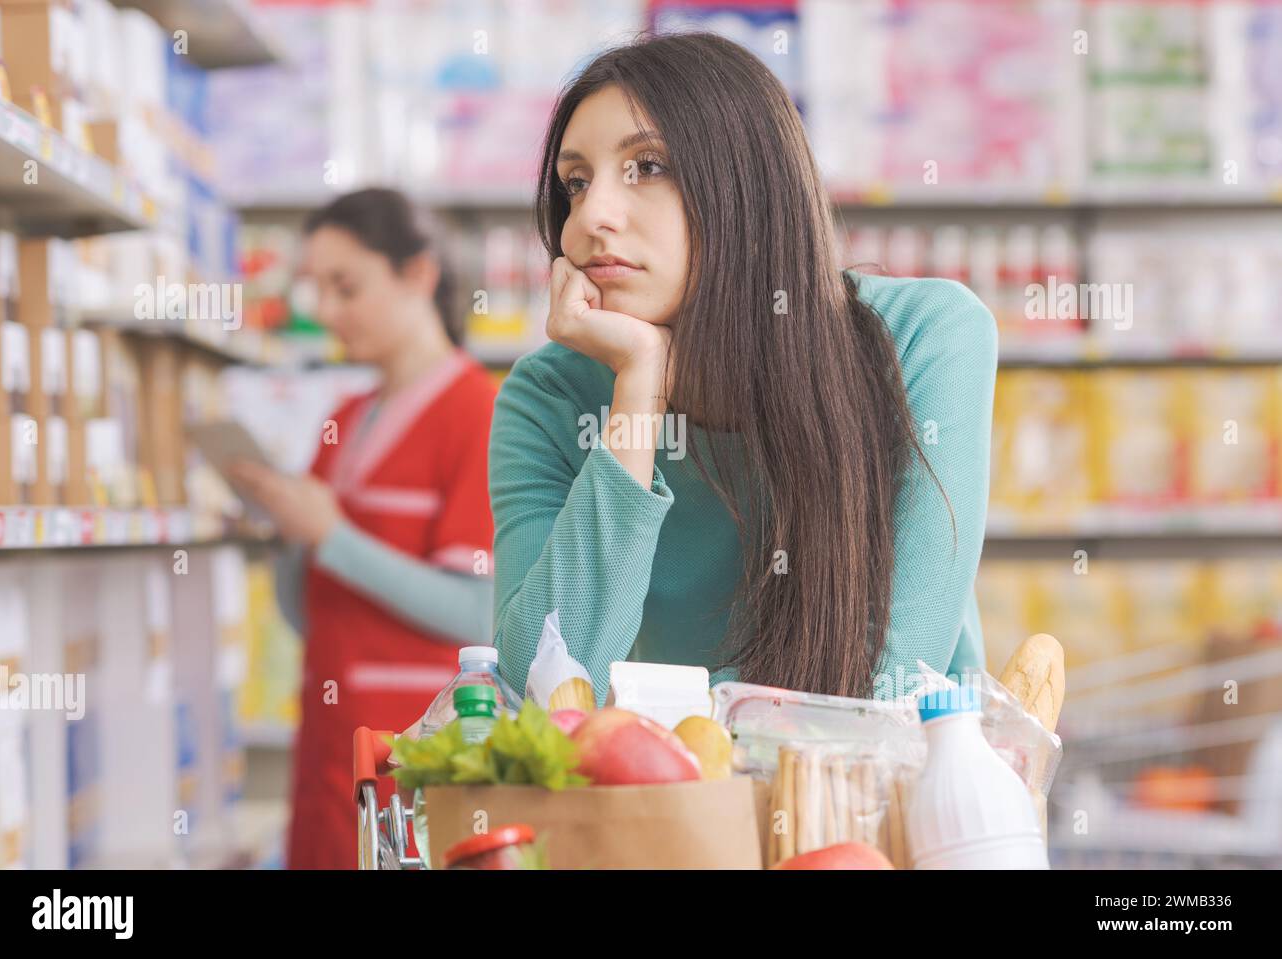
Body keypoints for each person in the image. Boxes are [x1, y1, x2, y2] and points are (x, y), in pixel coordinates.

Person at [489, 33, 998, 706]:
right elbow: (540, 688)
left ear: (749, 186)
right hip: (672, 802)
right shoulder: (548, 398)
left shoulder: (927, 337)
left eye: (646, 166)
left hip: (880, 799)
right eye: (576, 183)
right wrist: (637, 388)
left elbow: (896, 685)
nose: (589, 218)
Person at [229, 188, 498, 869]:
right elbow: (309, 611)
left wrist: (332, 537)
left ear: (419, 275)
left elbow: (477, 611)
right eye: (313, 289)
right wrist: (284, 531)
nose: (324, 311)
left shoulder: (481, 414)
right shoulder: (342, 418)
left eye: (345, 286)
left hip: (417, 755)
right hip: (326, 744)